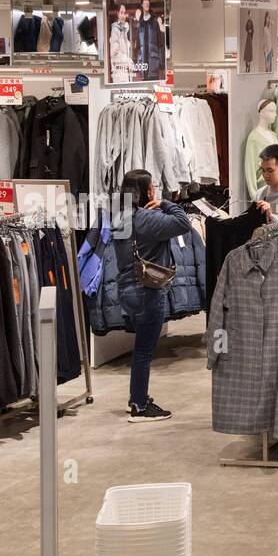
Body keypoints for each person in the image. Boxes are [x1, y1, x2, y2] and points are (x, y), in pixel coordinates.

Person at [113, 170, 192, 422]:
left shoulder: (119, 216)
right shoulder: (145, 218)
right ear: (146, 190)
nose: (156, 190)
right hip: (146, 290)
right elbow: (183, 223)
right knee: (144, 352)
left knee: (141, 349)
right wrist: (167, 203)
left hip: (126, 289)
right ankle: (138, 405)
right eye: (153, 187)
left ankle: (137, 397)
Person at [109, 2, 136, 83]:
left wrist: (129, 62)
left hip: (125, 72)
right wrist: (127, 61)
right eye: (121, 13)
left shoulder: (123, 31)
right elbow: (115, 52)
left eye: (124, 13)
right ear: (117, 14)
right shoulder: (115, 29)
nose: (123, 16)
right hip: (119, 72)